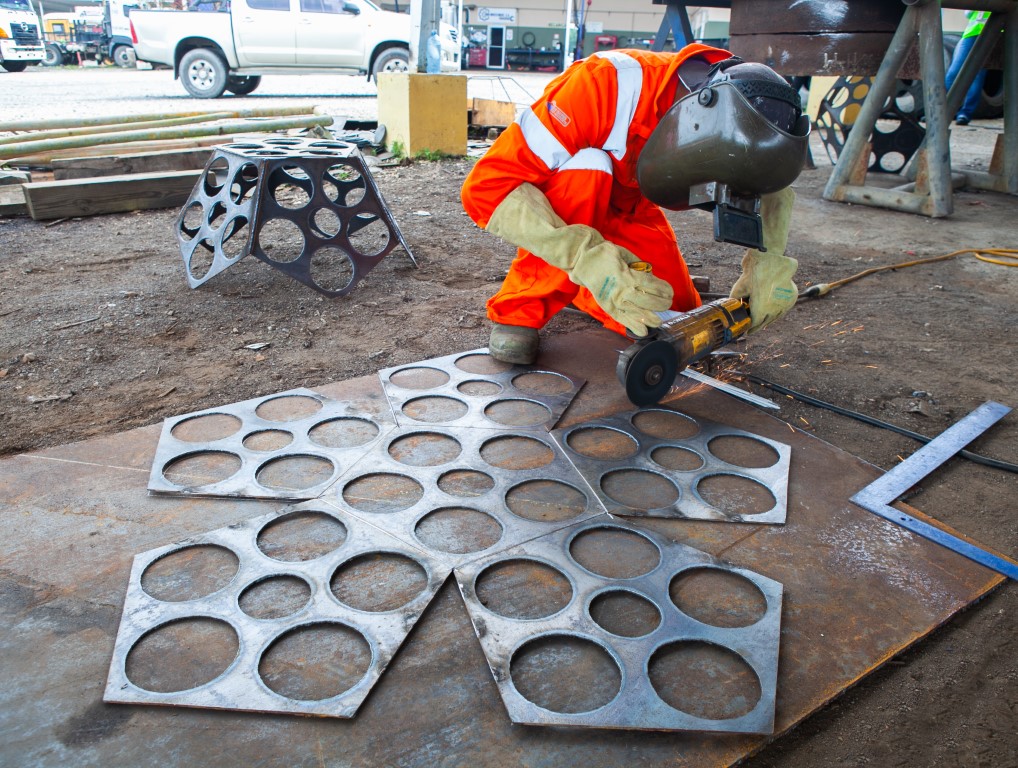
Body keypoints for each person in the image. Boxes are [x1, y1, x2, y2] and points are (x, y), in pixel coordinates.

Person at [461, 45, 810, 364]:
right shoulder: (603, 86)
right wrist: (589, 260)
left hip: (630, 203)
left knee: (671, 314)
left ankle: (579, 287)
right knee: (587, 166)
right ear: (697, 116)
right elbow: (486, 187)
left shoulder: (749, 105)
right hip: (574, 196)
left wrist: (770, 264)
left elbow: (768, 184)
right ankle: (521, 308)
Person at [945, 11, 991, 126]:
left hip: (989, 33)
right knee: (953, 74)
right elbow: (968, 13)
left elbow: (968, 13)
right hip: (973, 33)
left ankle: (964, 113)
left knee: (975, 75)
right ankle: (947, 110)